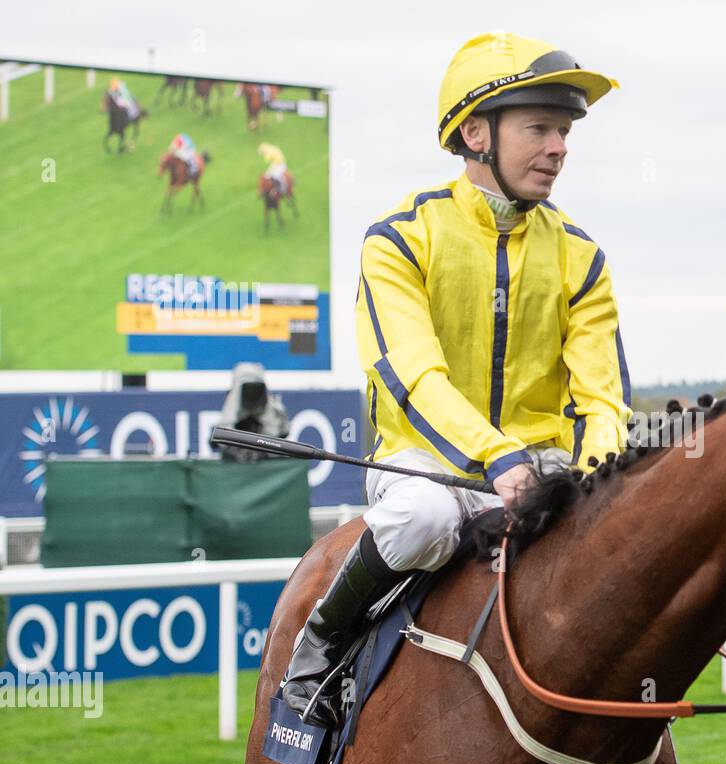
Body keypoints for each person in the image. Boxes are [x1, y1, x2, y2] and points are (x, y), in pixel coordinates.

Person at [281, 32, 631, 727]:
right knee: (424, 517)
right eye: (539, 128)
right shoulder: (400, 239)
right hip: (425, 463)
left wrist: (595, 485)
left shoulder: (583, 258)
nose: (559, 146)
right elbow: (413, 375)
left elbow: (601, 398)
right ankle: (316, 649)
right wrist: (493, 457)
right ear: (476, 133)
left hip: (545, 466)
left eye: (563, 131)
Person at [217, 362, 290, 462]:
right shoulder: (232, 403)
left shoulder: (270, 404)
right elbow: (221, 440)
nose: (251, 392)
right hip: (234, 465)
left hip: (265, 465)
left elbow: (281, 434)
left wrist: (267, 416)